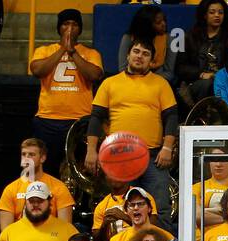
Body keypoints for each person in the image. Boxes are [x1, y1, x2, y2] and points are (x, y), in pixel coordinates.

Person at [85, 40, 178, 222]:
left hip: (154, 158)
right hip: (118, 158)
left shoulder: (161, 84)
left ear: (151, 61)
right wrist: (91, 150)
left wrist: (167, 148)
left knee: (160, 210)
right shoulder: (109, 83)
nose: (139, 56)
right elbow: (96, 117)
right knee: (120, 209)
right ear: (128, 55)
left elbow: (171, 117)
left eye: (145, 54)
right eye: (136, 51)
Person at [28, 9, 103, 177]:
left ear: (80, 29)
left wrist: (72, 52)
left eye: (75, 24)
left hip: (79, 120)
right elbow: (37, 70)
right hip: (47, 120)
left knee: (80, 171)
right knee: (46, 170)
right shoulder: (44, 50)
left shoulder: (91, 53)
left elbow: (94, 75)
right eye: (66, 24)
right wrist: (62, 49)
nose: (70, 28)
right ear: (59, 28)